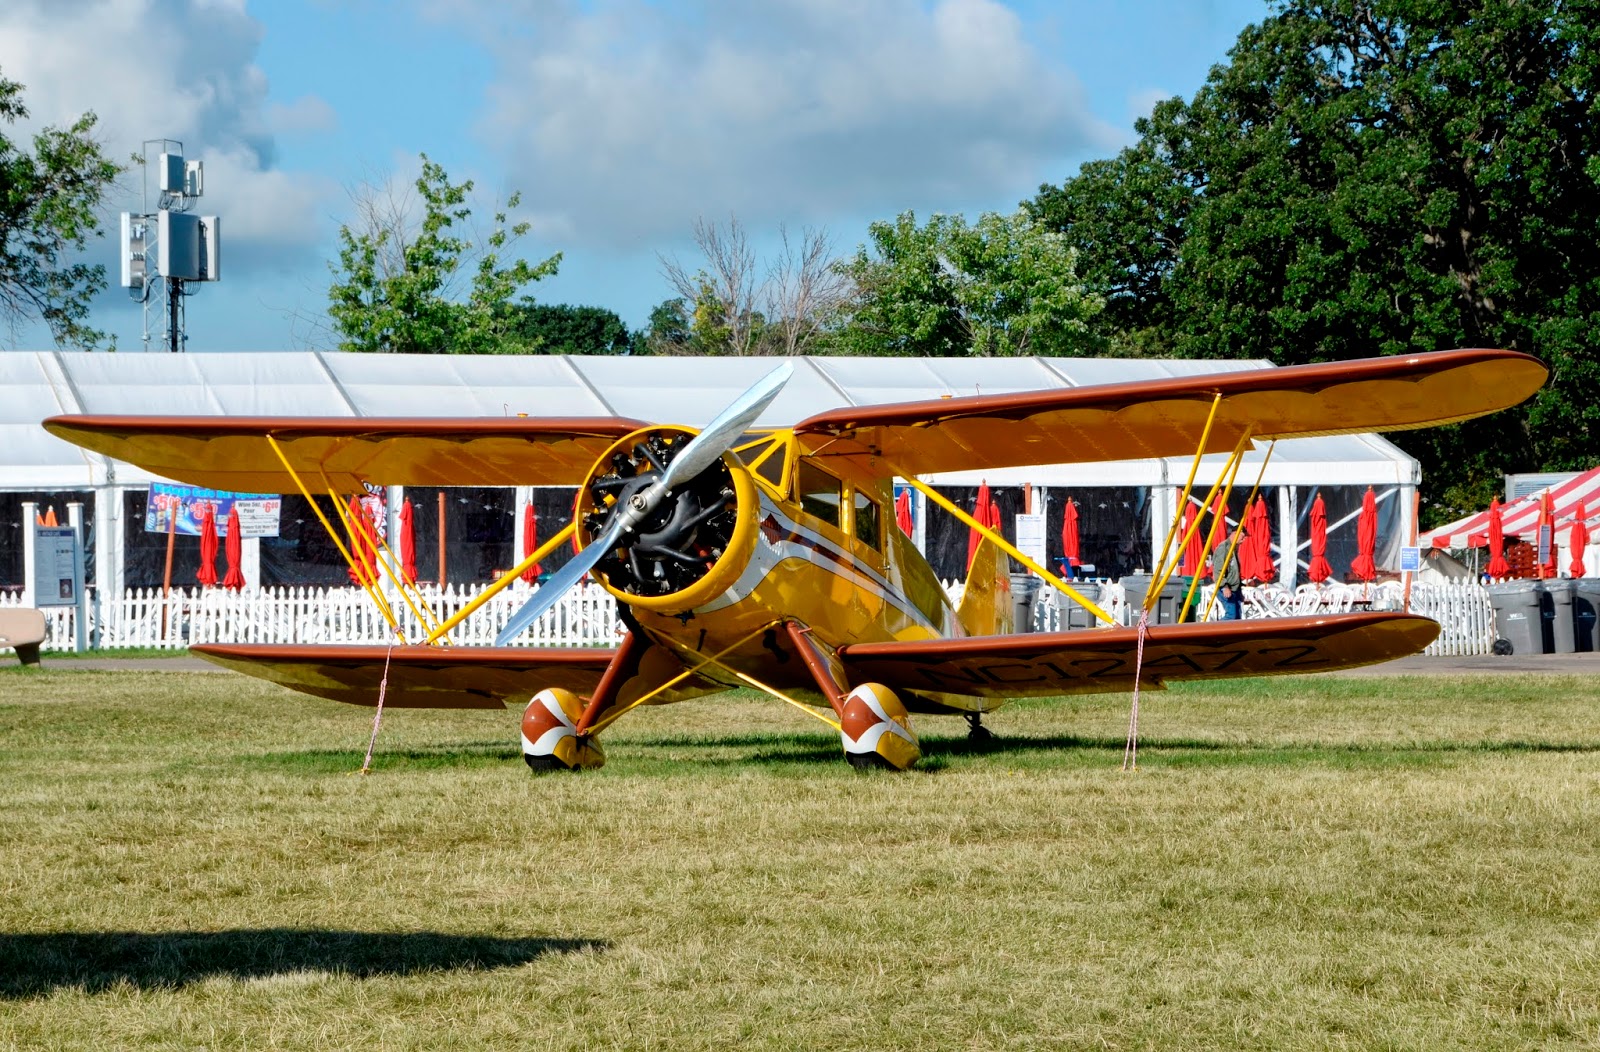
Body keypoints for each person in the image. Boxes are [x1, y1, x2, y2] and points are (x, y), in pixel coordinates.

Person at [1214, 541, 1243, 621]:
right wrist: (1224, 586)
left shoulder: (1234, 547)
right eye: (1243, 536)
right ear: (1236, 533)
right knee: (1231, 616)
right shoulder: (1224, 548)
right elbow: (1218, 570)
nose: (1244, 539)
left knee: (1237, 617)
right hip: (1226, 588)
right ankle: (1213, 630)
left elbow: (1234, 571)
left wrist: (1239, 590)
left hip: (1234, 588)